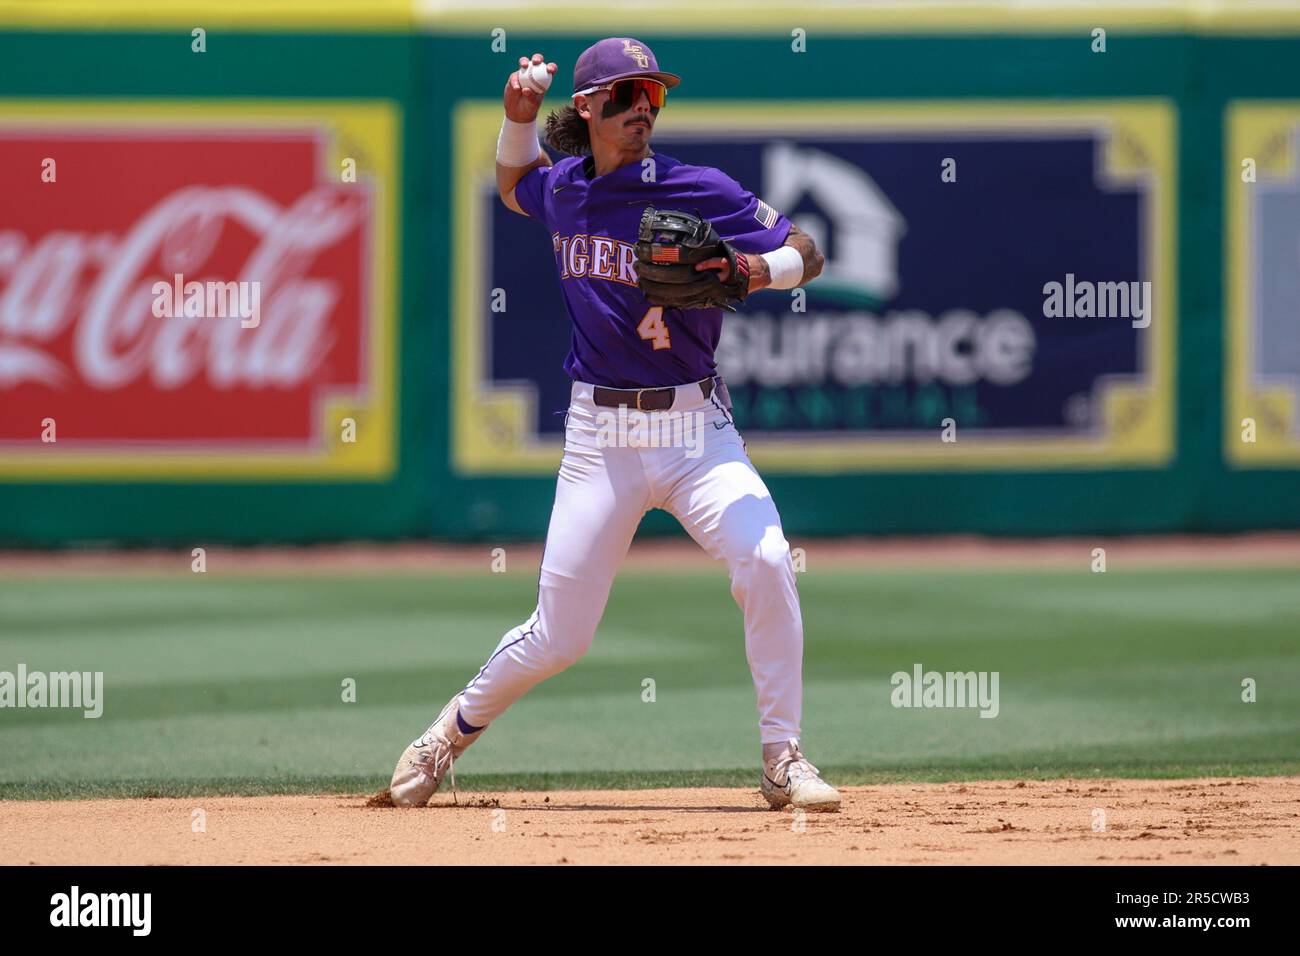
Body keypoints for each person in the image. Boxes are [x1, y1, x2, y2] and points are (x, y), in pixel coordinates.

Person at [389, 37, 838, 812]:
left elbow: (811, 249)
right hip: (601, 440)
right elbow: (512, 184)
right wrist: (516, 117)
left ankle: (782, 757)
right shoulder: (565, 189)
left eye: (653, 97)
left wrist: (755, 270)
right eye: (628, 95)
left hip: (698, 431)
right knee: (561, 636)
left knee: (766, 558)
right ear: (591, 107)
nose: (643, 109)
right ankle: (447, 735)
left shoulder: (697, 188)